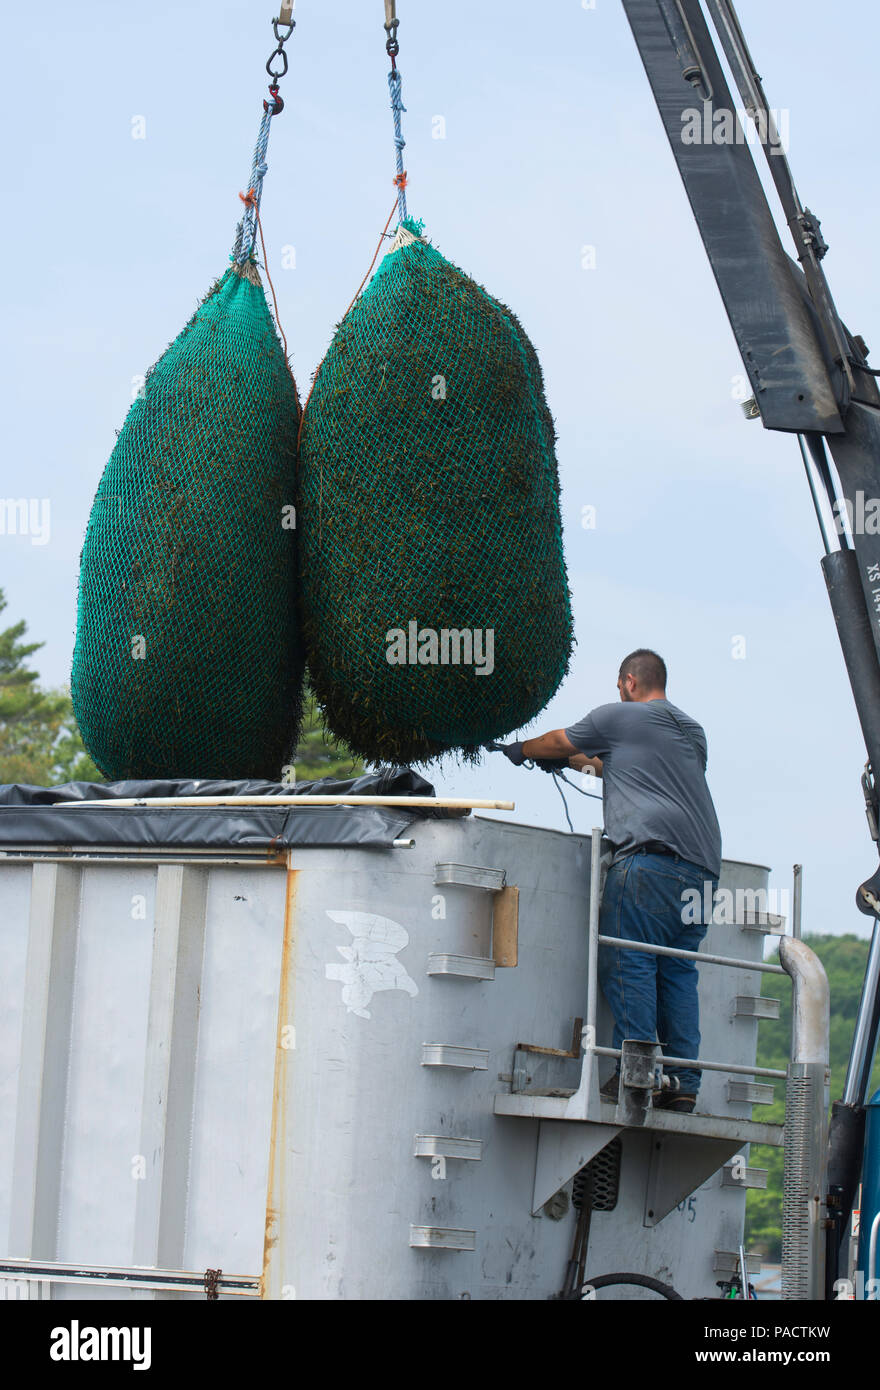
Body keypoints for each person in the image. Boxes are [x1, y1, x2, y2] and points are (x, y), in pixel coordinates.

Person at [499, 648, 721, 1114]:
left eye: (619, 686)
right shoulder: (692, 731)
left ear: (628, 682)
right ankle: (682, 1084)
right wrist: (574, 761)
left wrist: (524, 751)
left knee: (629, 960)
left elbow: (558, 739)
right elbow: (616, 766)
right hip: (702, 870)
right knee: (677, 972)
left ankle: (635, 1073)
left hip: (650, 863)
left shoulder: (619, 716)